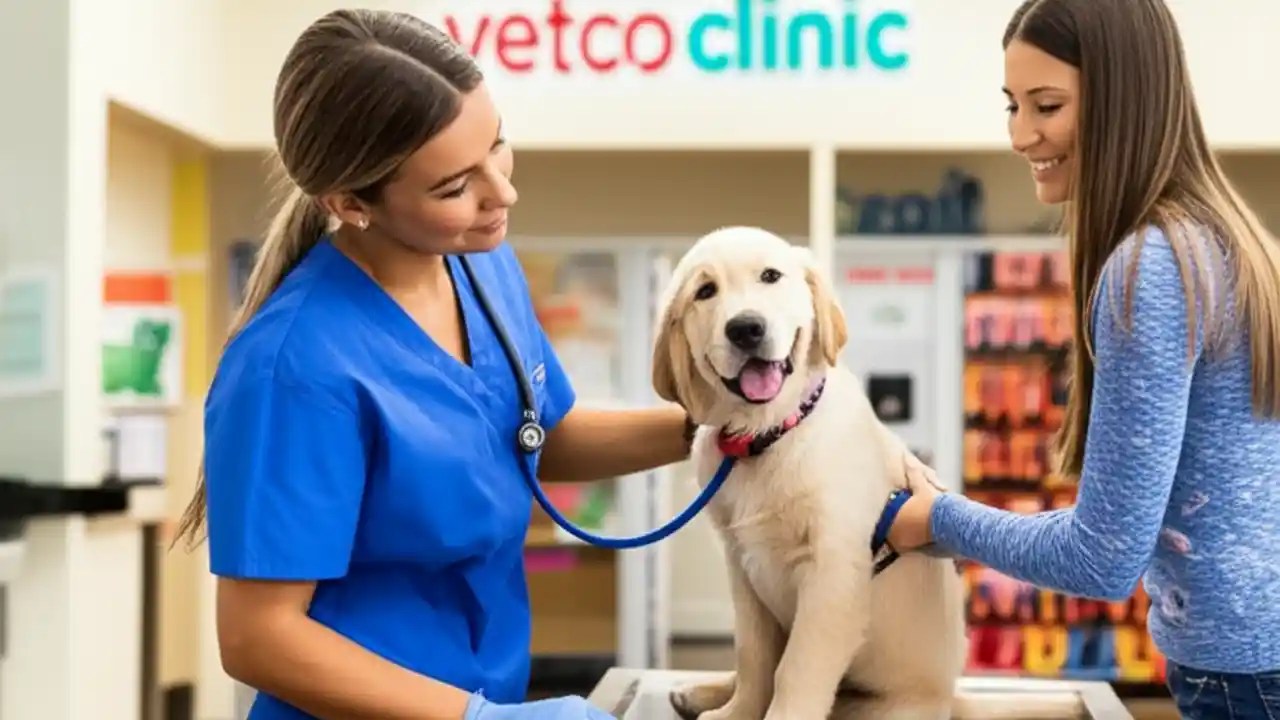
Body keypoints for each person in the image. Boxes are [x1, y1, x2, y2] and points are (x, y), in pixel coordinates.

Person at [171, 9, 696, 720]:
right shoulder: (295, 368)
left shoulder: (481, 268)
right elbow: (258, 638)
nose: (502, 193)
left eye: (499, 146)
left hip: (484, 690)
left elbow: (538, 437)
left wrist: (711, 428)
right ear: (349, 203)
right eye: (455, 187)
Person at [887, 0, 1280, 717]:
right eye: (1012, 105)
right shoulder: (1232, 243)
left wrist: (935, 519)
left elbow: (1099, 559)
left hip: (1245, 683)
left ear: (1124, 98)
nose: (1019, 134)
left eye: (1046, 105)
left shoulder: (1152, 267)